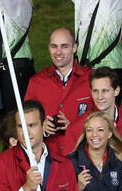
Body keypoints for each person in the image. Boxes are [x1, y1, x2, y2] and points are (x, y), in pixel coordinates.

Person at [25, 26, 93, 156]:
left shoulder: (91, 79)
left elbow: (103, 115)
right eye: (54, 46)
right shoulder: (36, 82)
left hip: (83, 154)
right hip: (48, 156)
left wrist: (74, 127)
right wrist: (41, 128)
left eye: (64, 46)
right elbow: (25, 120)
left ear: (74, 48)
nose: (58, 52)